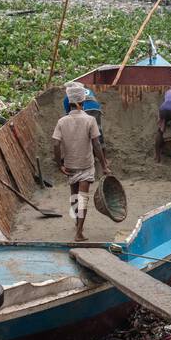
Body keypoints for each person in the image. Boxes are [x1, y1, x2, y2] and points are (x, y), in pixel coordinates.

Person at [53, 82, 110, 242]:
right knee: (83, 197)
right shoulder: (90, 120)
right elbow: (96, 144)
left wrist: (60, 165)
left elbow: (56, 144)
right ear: (83, 103)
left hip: (70, 165)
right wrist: (104, 165)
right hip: (85, 165)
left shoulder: (61, 121)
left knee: (74, 196)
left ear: (69, 103)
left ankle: (77, 224)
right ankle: (79, 233)